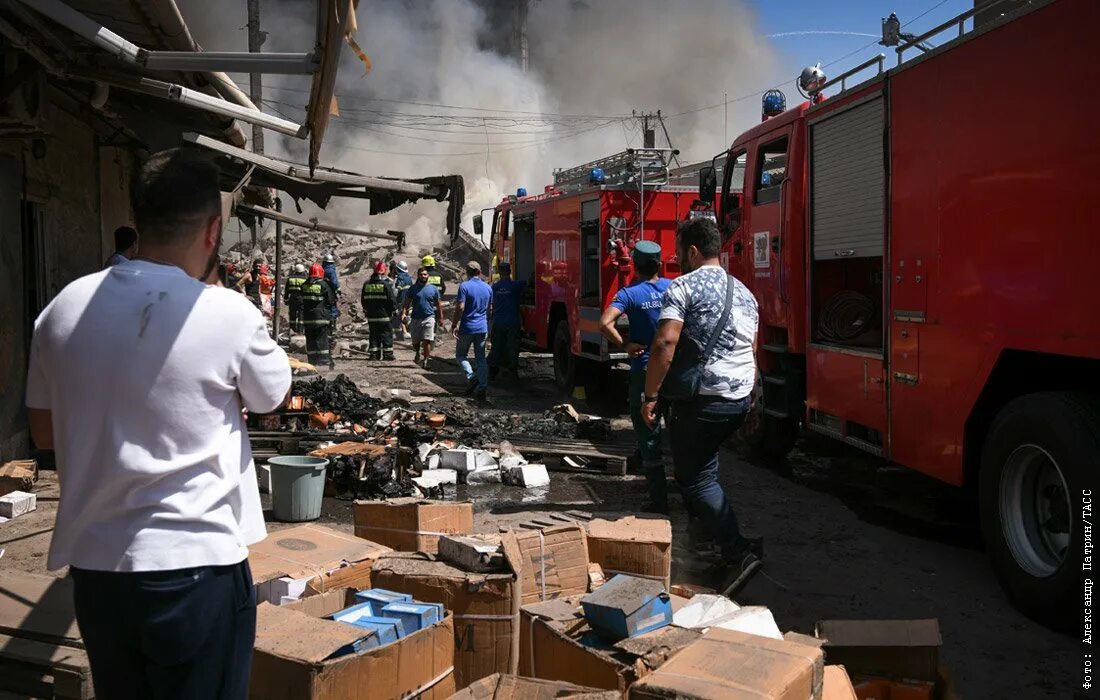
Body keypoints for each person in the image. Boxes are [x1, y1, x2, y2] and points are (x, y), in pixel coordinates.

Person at [25, 148, 290, 699]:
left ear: (137, 216)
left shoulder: (61, 309)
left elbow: (45, 435)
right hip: (198, 570)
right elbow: (271, 398)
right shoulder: (228, 313)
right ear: (214, 231)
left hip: (98, 572)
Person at [642, 217, 761, 598]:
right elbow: (751, 349)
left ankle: (738, 550)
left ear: (692, 251)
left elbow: (665, 342)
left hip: (703, 400)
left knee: (695, 478)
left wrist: (650, 395)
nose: (677, 259)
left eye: (679, 252)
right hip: (740, 399)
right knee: (703, 466)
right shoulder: (745, 292)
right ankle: (709, 545)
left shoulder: (683, 285)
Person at [599, 240, 672, 514]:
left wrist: (624, 344)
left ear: (636, 267)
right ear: (660, 265)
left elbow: (605, 323)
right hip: (673, 370)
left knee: (648, 431)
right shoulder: (673, 288)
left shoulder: (630, 294)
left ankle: (658, 500)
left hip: (644, 370)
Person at [451, 261, 492, 402]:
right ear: (479, 272)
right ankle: (483, 386)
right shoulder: (488, 288)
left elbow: (460, 307)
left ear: (467, 272)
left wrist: (454, 324)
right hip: (482, 328)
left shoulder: (464, 286)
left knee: (461, 355)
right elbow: (490, 310)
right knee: (481, 359)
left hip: (467, 327)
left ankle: (471, 376)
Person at [488, 261, 525, 380]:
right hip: (512, 322)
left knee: (496, 346)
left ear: (499, 272)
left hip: (498, 321)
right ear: (509, 271)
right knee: (513, 346)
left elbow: (491, 304)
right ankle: (512, 370)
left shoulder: (495, 287)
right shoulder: (516, 285)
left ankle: (493, 370)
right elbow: (527, 282)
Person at [403, 266, 444, 367]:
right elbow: (407, 303)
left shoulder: (433, 289)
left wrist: (441, 317)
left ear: (428, 276)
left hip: (429, 318)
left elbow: (439, 304)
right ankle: (417, 352)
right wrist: (404, 313)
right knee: (415, 342)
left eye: (425, 274)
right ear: (418, 276)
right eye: (421, 275)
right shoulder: (413, 289)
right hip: (415, 318)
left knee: (427, 340)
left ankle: (425, 360)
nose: (423, 276)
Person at [301, 262, 337, 369]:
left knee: (310, 339)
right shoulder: (323, 285)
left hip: (308, 318)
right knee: (321, 338)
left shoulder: (304, 286)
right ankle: (323, 359)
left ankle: (312, 360)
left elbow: (301, 300)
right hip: (321, 317)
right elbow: (331, 300)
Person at [361, 260, 398, 361]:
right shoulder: (385, 285)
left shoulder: (366, 284)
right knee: (386, 334)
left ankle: (374, 354)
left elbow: (363, 300)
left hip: (372, 316)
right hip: (384, 316)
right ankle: (387, 354)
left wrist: (367, 310)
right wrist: (394, 310)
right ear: (383, 271)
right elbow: (392, 299)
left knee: (374, 335)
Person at [391, 260, 413, 341]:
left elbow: (397, 291)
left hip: (400, 302)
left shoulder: (399, 278)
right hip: (408, 301)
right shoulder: (409, 278)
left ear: (398, 269)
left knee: (397, 319)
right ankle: (405, 331)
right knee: (404, 316)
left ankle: (399, 335)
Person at [284, 263, 307, 333]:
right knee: (301, 315)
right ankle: (300, 331)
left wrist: (286, 299)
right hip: (302, 299)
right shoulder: (305, 279)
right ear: (302, 271)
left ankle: (292, 330)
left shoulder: (290, 278)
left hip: (292, 298)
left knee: (292, 315)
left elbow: (287, 290)